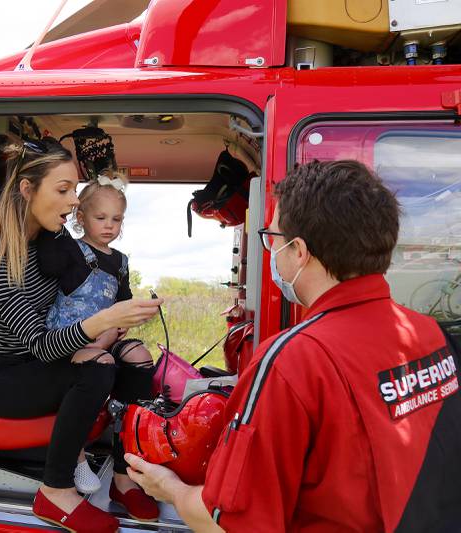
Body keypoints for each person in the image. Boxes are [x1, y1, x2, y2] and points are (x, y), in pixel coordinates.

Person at [125, 160, 461, 532]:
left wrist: (170, 489)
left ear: (299, 251)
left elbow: (230, 522)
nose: (272, 251)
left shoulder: (293, 362)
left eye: (273, 238)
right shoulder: (429, 334)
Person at [0, 138, 163, 533]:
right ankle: (55, 491)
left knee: (136, 361)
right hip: (8, 376)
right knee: (96, 365)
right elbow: (40, 346)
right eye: (63, 190)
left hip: (46, 362)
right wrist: (104, 321)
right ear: (27, 190)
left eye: (74, 190)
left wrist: (119, 320)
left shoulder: (48, 243)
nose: (74, 201)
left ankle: (124, 475)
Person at [36, 173, 154, 496]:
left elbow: (122, 299)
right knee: (99, 359)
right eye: (100, 217)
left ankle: (124, 461)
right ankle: (76, 455)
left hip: (106, 336)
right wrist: (55, 226)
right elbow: (46, 263)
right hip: (69, 339)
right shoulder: (69, 251)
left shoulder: (120, 261)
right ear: (81, 217)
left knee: (140, 357)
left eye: (117, 219)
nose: (109, 226)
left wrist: (131, 316)